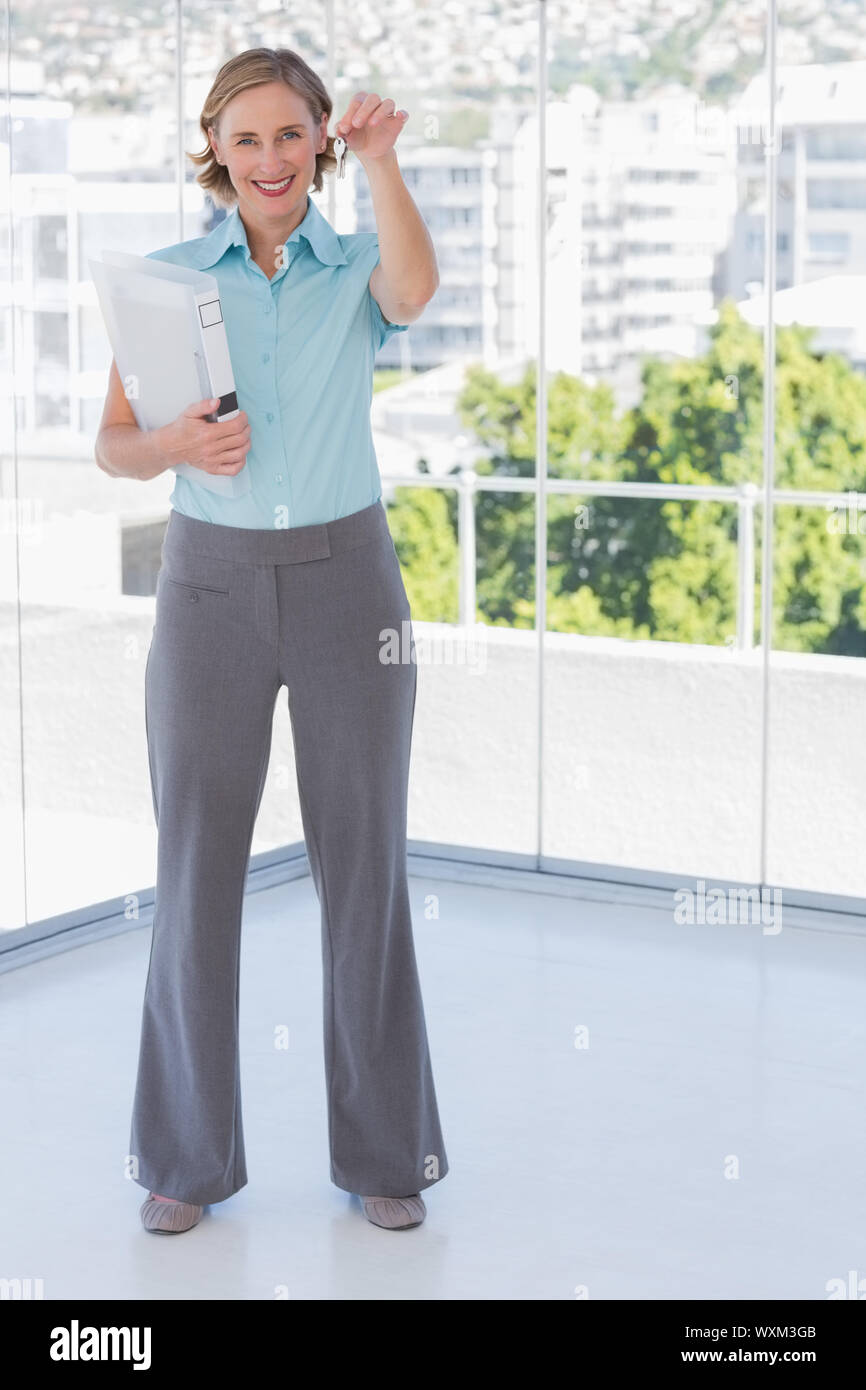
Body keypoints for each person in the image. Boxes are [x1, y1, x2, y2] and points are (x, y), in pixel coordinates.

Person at [95, 47, 449, 1235]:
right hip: (209, 589)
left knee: (366, 868)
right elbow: (113, 443)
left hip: (353, 580)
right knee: (195, 870)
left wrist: (387, 163)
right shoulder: (167, 280)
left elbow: (416, 288)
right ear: (215, 151)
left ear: (321, 146)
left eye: (290, 136)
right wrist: (173, 450)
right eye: (244, 140)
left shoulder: (355, 266)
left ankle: (385, 1149)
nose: (268, 160)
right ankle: (183, 1156)